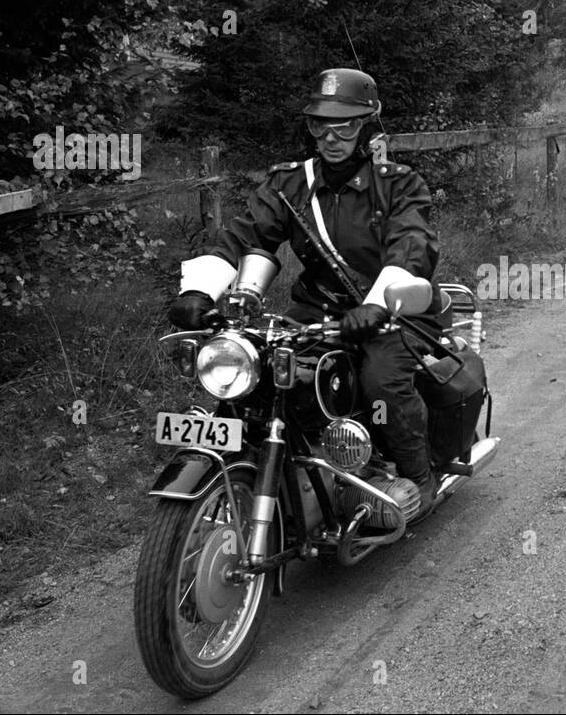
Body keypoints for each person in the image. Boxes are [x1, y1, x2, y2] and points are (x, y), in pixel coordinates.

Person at [168, 67, 447, 522]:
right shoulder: (288, 183)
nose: (331, 137)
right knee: (260, 370)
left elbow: (412, 249)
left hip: (396, 310)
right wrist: (197, 291)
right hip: (316, 310)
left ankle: (418, 477)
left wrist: (376, 305)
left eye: (345, 125)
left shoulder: (398, 183)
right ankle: (289, 466)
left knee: (381, 378)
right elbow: (242, 236)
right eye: (320, 125)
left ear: (366, 124)